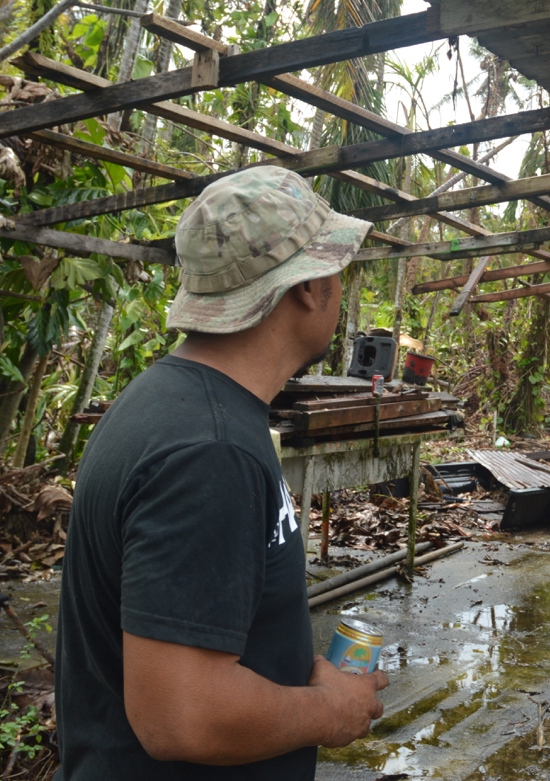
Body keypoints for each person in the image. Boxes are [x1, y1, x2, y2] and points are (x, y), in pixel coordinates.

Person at [56, 166, 388, 780]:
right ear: (310, 287)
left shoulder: (167, 403)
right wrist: (327, 711)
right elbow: (180, 717)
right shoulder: (210, 451)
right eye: (337, 267)